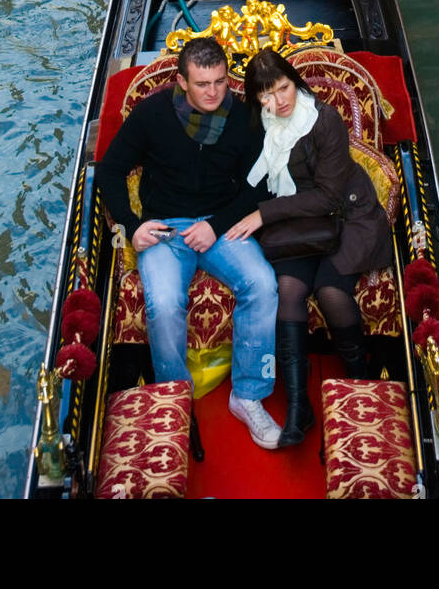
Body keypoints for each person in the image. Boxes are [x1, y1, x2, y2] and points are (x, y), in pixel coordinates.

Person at [95, 36, 282, 449]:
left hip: (220, 225)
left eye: (220, 81)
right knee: (163, 302)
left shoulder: (246, 118)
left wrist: (215, 225)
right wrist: (132, 225)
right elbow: (109, 171)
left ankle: (248, 396)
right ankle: (172, 400)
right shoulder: (152, 114)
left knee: (263, 284)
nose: (214, 92)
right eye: (202, 84)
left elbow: (263, 185)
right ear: (182, 81)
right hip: (165, 228)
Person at [227, 48, 392, 447]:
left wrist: (264, 215)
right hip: (301, 225)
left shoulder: (325, 120)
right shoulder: (259, 123)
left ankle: (361, 380)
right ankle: (300, 405)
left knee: (331, 291)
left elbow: (329, 196)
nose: (279, 101)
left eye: (283, 88)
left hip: (347, 214)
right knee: (288, 291)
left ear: (294, 82)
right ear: (257, 99)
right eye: (267, 95)